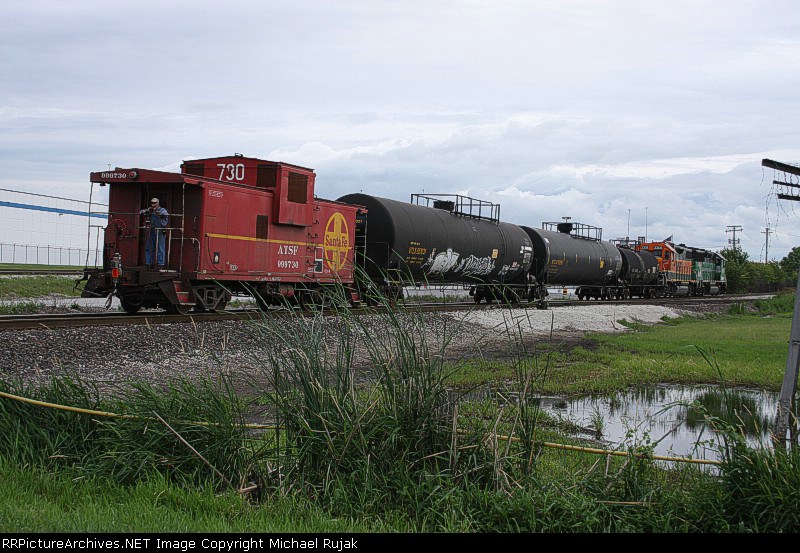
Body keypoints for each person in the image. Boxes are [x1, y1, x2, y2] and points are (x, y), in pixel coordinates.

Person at [140, 197, 169, 268]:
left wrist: (158, 213)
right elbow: (141, 212)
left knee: (160, 247)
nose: (153, 205)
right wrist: (146, 211)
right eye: (152, 203)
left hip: (161, 230)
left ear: (158, 203)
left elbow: (165, 215)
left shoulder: (163, 210)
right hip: (152, 230)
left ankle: (160, 264)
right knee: (149, 246)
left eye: (154, 203)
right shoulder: (150, 210)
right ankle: (149, 263)